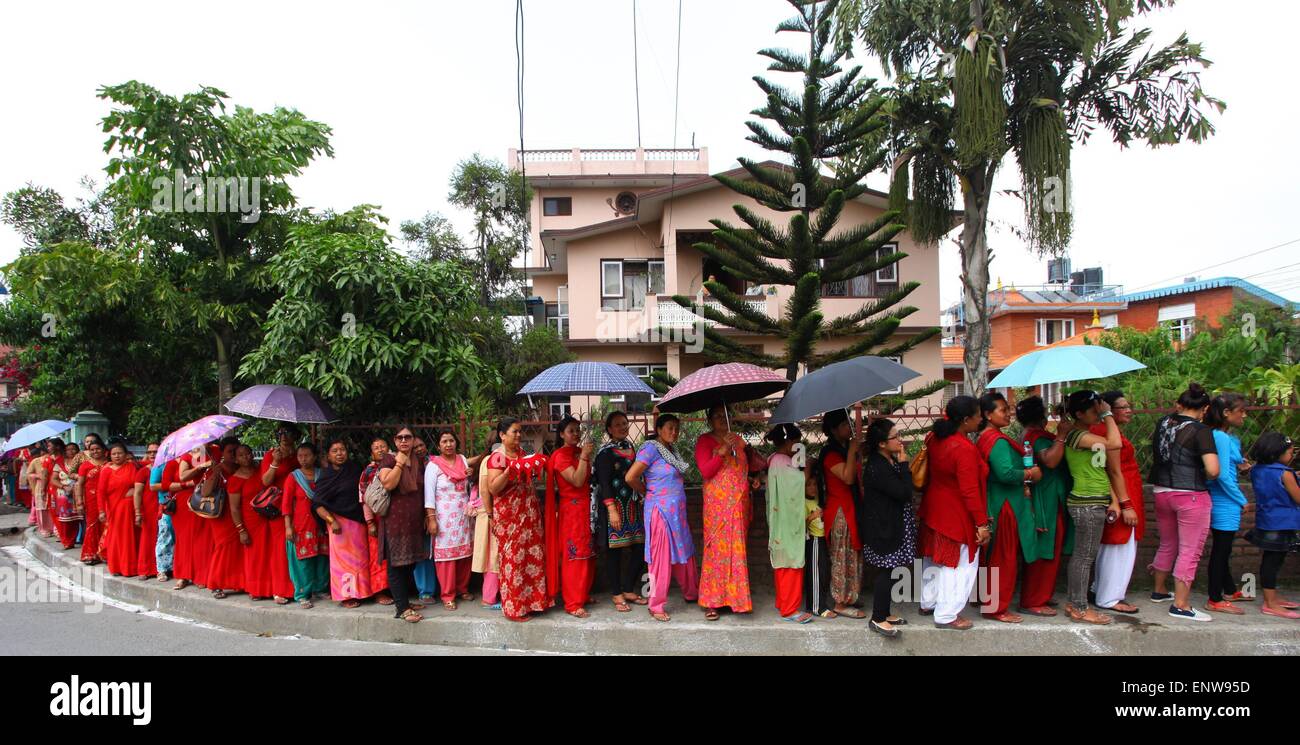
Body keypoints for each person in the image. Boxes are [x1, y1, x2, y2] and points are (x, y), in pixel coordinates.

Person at [1148, 382, 1219, 622]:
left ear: (1179, 404)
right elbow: (1213, 469)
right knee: (1190, 550)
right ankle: (1181, 604)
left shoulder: (1163, 423)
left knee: (1168, 543)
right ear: (1205, 408)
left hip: (1161, 492)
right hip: (1190, 494)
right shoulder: (1201, 430)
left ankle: (1159, 591)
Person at [917, 396, 988, 630]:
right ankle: (947, 614)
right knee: (959, 564)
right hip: (955, 513)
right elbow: (969, 491)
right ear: (966, 419)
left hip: (934, 507)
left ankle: (928, 602)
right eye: (978, 415)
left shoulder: (935, 438)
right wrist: (981, 523)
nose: (981, 419)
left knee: (934, 558)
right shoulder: (963, 448)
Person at [1059, 390, 1125, 625]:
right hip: (1086, 502)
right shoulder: (1078, 436)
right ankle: (1079, 607)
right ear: (1079, 413)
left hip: (1095, 499)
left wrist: (1113, 500)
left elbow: (1100, 469)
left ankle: (1074, 603)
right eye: (1093, 410)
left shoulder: (1087, 435)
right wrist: (1108, 413)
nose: (1097, 414)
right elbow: (1115, 443)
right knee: (1084, 558)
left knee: (1084, 556)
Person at [624, 413, 698, 622]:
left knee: (685, 550)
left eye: (676, 428)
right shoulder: (650, 449)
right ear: (659, 429)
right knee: (660, 558)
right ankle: (655, 604)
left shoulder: (671, 451)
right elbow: (630, 477)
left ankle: (692, 593)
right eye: (669, 428)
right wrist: (647, 491)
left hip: (677, 513)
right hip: (660, 512)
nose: (674, 432)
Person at [975, 392, 1042, 623]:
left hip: (996, 501)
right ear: (987, 414)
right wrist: (1029, 473)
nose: (1008, 413)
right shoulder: (997, 441)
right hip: (1006, 505)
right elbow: (1005, 473)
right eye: (1002, 410)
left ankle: (988, 600)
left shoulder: (984, 438)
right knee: (1004, 558)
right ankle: (996, 607)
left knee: (993, 556)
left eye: (1008, 408)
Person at [486, 417, 551, 621]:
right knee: (513, 560)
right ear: (502, 435)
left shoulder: (523, 454)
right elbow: (493, 488)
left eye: (520, 431)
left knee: (532, 557)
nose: (519, 435)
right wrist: (509, 470)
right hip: (509, 516)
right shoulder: (496, 458)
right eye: (514, 431)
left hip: (529, 513)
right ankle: (514, 608)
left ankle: (533, 603)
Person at [695, 404, 755, 619]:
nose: (722, 419)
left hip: (738, 505)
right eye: (717, 415)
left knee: (736, 551)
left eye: (725, 415)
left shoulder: (737, 439)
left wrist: (740, 449)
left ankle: (736, 599)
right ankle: (712, 601)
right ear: (710, 420)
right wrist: (721, 452)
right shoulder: (705, 441)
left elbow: (746, 467)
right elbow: (705, 471)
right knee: (716, 553)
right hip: (717, 507)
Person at [860, 418, 917, 637]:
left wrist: (900, 463)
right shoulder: (878, 466)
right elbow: (903, 493)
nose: (900, 440)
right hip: (883, 529)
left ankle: (885, 611)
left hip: (892, 525)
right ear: (882, 443)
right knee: (887, 569)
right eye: (895, 437)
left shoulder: (887, 461)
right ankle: (877, 618)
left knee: (892, 569)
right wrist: (904, 465)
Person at [314, 439, 386, 608]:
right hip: (338, 524)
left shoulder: (354, 469)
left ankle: (363, 592)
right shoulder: (326, 475)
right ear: (328, 455)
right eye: (335, 451)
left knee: (360, 560)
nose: (339, 454)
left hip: (358, 521)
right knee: (343, 563)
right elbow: (317, 503)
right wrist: (331, 521)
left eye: (342, 450)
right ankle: (347, 595)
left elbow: (364, 492)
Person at [1089, 391, 1143, 615]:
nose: (1128, 410)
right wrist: (1122, 503)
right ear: (1107, 409)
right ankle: (1109, 597)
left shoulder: (1108, 432)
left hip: (1125, 493)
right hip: (1121, 497)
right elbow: (1106, 470)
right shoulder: (1101, 433)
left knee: (1114, 545)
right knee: (1118, 545)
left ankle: (1100, 590)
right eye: (1122, 407)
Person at [1016, 397, 1071, 615]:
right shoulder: (1036, 437)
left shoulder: (1029, 434)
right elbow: (1050, 461)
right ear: (1041, 416)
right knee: (1044, 548)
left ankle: (1043, 594)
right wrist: (1062, 435)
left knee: (1051, 547)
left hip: (1048, 497)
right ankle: (1033, 600)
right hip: (1043, 499)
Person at [593, 411, 646, 612]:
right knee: (614, 552)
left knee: (639, 549)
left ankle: (629, 589)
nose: (623, 427)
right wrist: (612, 510)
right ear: (609, 430)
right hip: (614, 508)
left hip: (632, 507)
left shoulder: (631, 448)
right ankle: (617, 593)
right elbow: (604, 484)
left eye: (624, 423)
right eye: (617, 425)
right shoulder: (605, 454)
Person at [1204, 392, 1251, 613]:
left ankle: (1229, 589)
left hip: (1222, 497)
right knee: (1222, 550)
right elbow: (1221, 475)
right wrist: (1242, 499)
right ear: (1226, 413)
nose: (1244, 415)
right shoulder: (1220, 437)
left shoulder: (1222, 436)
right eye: (1240, 410)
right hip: (1225, 500)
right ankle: (1215, 598)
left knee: (1224, 547)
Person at [376, 426, 428, 622]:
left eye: (408, 437)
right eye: (400, 438)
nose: (404, 441)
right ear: (395, 441)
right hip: (394, 523)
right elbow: (388, 484)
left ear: (414, 440)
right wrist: (399, 463)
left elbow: (422, 490)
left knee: (410, 563)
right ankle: (401, 608)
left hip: (413, 522)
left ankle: (404, 600)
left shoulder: (419, 461)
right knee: (396, 565)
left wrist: (426, 515)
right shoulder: (388, 459)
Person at [546, 417, 596, 617]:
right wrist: (584, 457)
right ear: (561, 434)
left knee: (588, 552)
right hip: (572, 509)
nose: (575, 434)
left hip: (586, 508)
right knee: (574, 555)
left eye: (577, 430)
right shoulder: (560, 456)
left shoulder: (578, 452)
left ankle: (582, 594)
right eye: (571, 431)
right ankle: (573, 603)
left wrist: (584, 455)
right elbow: (576, 480)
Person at [817, 408, 865, 619]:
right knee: (841, 557)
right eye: (845, 425)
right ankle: (839, 601)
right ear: (834, 430)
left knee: (853, 555)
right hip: (840, 512)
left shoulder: (845, 449)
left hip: (852, 508)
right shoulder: (830, 453)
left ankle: (849, 596)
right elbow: (847, 478)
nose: (850, 428)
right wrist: (853, 451)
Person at [1247, 433, 1300, 618]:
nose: (1292, 455)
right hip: (1283, 522)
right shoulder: (1285, 473)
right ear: (1279, 452)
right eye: (1290, 451)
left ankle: (1273, 598)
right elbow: (1298, 498)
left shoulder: (1256, 470)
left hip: (1266, 521)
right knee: (1273, 562)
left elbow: (1272, 487)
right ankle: (1270, 603)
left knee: (1270, 560)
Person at [764, 423, 812, 624]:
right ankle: (790, 609)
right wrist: (808, 467)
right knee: (792, 561)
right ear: (790, 442)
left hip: (779, 522)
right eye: (797, 443)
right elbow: (800, 486)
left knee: (782, 560)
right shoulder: (783, 463)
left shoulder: (774, 460)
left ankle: (783, 602)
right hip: (788, 523)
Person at [425, 429, 477, 611]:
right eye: (444, 441)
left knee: (464, 554)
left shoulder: (462, 460)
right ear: (439, 445)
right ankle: (448, 595)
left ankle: (462, 588)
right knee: (446, 557)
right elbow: (429, 495)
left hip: (463, 516)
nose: (448, 444)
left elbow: (467, 487)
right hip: (444, 517)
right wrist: (431, 519)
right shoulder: (433, 466)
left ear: (456, 443)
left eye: (451, 441)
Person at [197, 438, 246, 598]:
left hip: (240, 512)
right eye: (229, 451)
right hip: (222, 514)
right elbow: (205, 492)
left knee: (239, 549)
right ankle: (216, 583)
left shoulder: (242, 467)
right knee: (223, 547)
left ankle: (238, 582)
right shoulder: (216, 468)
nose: (233, 454)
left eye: (235, 451)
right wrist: (216, 472)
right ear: (223, 453)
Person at [282, 442, 329, 608]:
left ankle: (320, 588)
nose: (303, 459)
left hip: (320, 524)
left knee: (322, 557)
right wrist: (288, 526)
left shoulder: (321, 474)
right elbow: (286, 505)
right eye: (300, 456)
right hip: (301, 525)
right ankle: (302, 593)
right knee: (303, 561)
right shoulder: (293, 477)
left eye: (307, 455)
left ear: (314, 456)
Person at [258, 426, 299, 603]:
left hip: (297, 505)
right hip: (277, 507)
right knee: (279, 549)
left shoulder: (298, 455)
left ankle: (299, 587)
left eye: (287, 433)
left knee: (297, 547)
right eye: (280, 434)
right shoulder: (270, 455)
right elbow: (265, 481)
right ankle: (280, 589)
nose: (283, 436)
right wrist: (275, 462)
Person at [97, 440, 142, 577]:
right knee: (116, 537)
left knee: (131, 537)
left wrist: (133, 490)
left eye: (120, 453)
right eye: (114, 454)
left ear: (126, 454)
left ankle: (130, 567)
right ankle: (117, 566)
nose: (117, 456)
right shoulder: (106, 471)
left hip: (130, 507)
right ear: (109, 455)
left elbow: (138, 484)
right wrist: (101, 511)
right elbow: (101, 492)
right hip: (114, 508)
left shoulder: (132, 467)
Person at [470, 431, 502, 610]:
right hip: (491, 514)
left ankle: (491, 596)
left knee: (493, 555)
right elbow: (485, 490)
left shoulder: (486, 460)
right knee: (494, 556)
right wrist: (491, 514)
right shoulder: (491, 461)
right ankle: (490, 597)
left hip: (487, 513)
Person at [410, 436, 440, 604]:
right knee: (423, 554)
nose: (420, 449)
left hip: (438, 513)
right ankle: (425, 591)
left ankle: (443, 588)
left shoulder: (435, 462)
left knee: (437, 552)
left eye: (421, 445)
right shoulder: (408, 466)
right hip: (416, 515)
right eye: (415, 447)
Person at [75, 439, 108, 564]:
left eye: (98, 449)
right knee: (92, 524)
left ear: (104, 450)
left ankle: (105, 553)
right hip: (91, 499)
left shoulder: (109, 464)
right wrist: (79, 502)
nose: (95, 451)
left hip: (107, 499)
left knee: (106, 525)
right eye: (92, 450)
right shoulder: (85, 465)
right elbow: (80, 484)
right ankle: (91, 554)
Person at [133, 444, 160, 580]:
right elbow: (137, 493)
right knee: (148, 539)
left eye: (156, 451)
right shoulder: (143, 472)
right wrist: (138, 512)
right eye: (150, 452)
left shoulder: (167, 468)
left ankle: (163, 568)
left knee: (165, 538)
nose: (152, 454)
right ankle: (145, 569)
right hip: (149, 509)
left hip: (165, 508)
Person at [151, 456, 178, 582]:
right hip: (168, 505)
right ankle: (161, 569)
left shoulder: (190, 460)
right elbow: (153, 486)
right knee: (165, 538)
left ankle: (177, 568)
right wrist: (176, 485)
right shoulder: (160, 465)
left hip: (187, 504)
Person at [27, 442, 54, 538]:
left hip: (53, 484)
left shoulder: (55, 460)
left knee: (54, 507)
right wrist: (38, 476)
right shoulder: (36, 461)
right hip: (40, 485)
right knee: (42, 509)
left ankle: (55, 528)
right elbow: (29, 474)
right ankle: (44, 528)